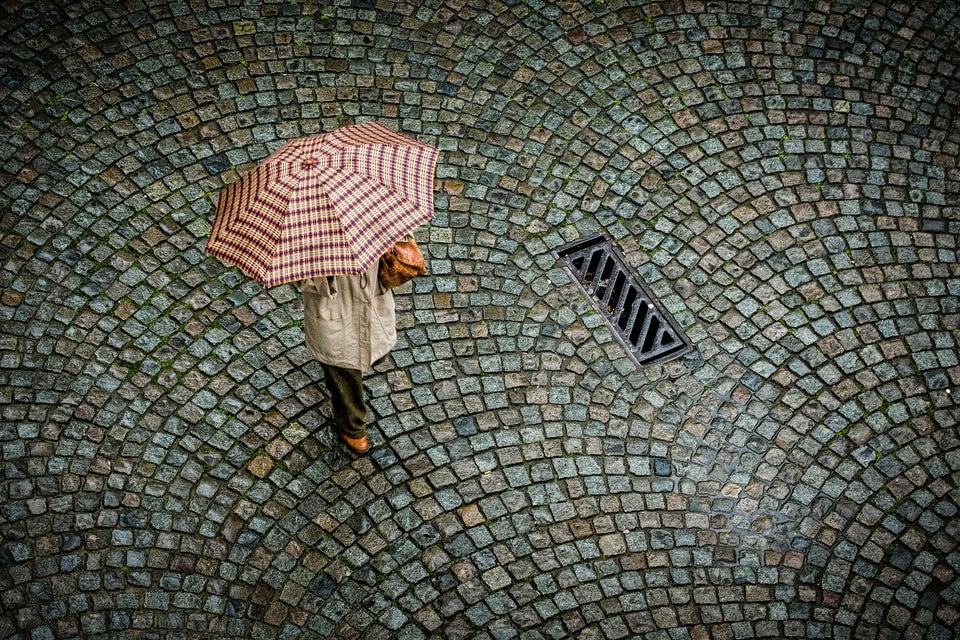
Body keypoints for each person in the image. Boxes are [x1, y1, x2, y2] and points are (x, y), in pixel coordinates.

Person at [298, 258, 396, 454]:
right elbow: (300, 277)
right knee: (342, 369)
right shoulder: (304, 244)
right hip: (332, 309)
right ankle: (353, 427)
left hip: (372, 299)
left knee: (377, 351)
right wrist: (323, 276)